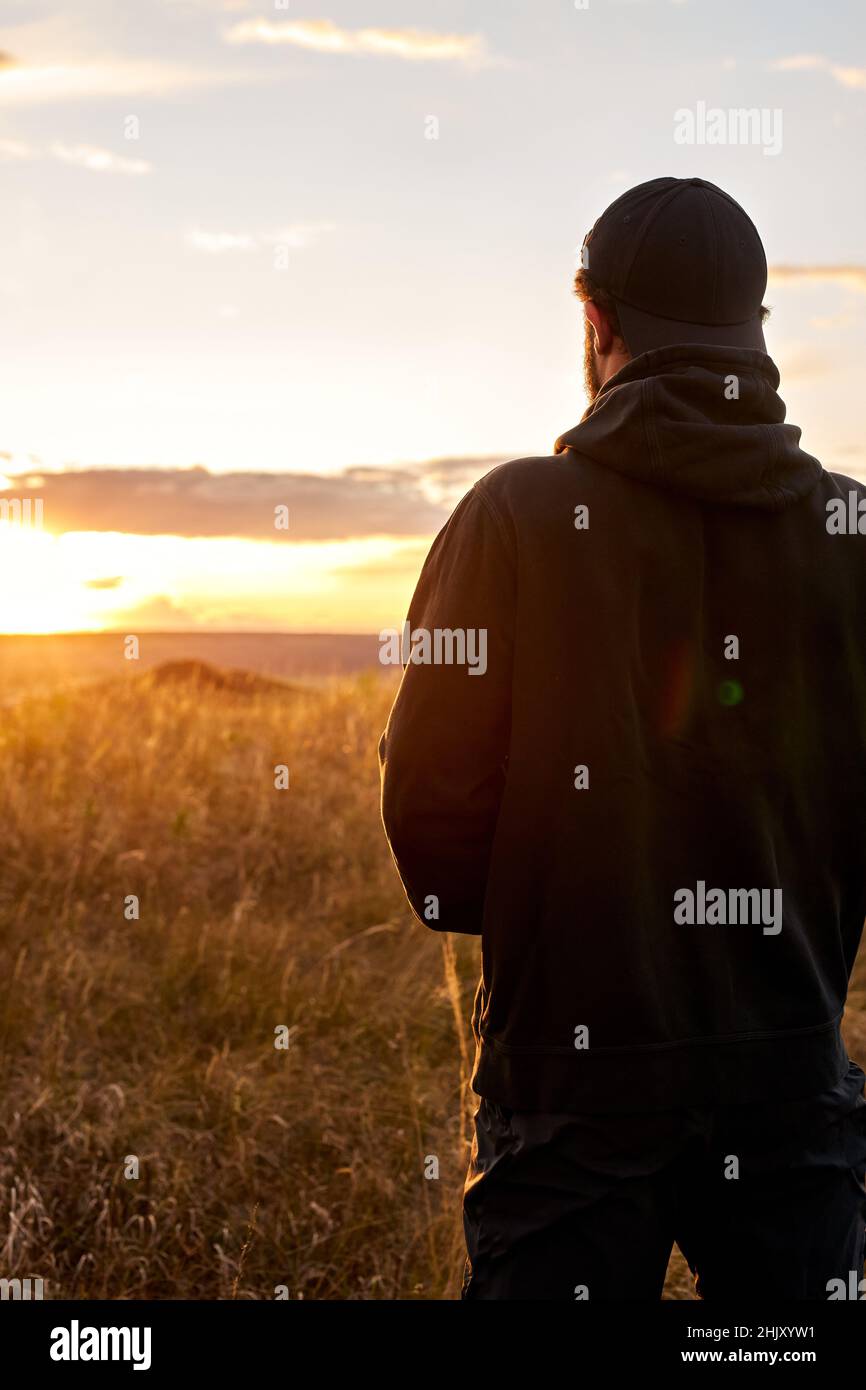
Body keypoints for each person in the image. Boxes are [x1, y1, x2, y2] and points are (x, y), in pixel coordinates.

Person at [378, 177, 866, 1300]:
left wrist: (531, 921)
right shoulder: (850, 531)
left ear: (594, 321)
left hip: (573, 1096)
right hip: (790, 1077)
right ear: (755, 327)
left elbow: (430, 813)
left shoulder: (513, 517)